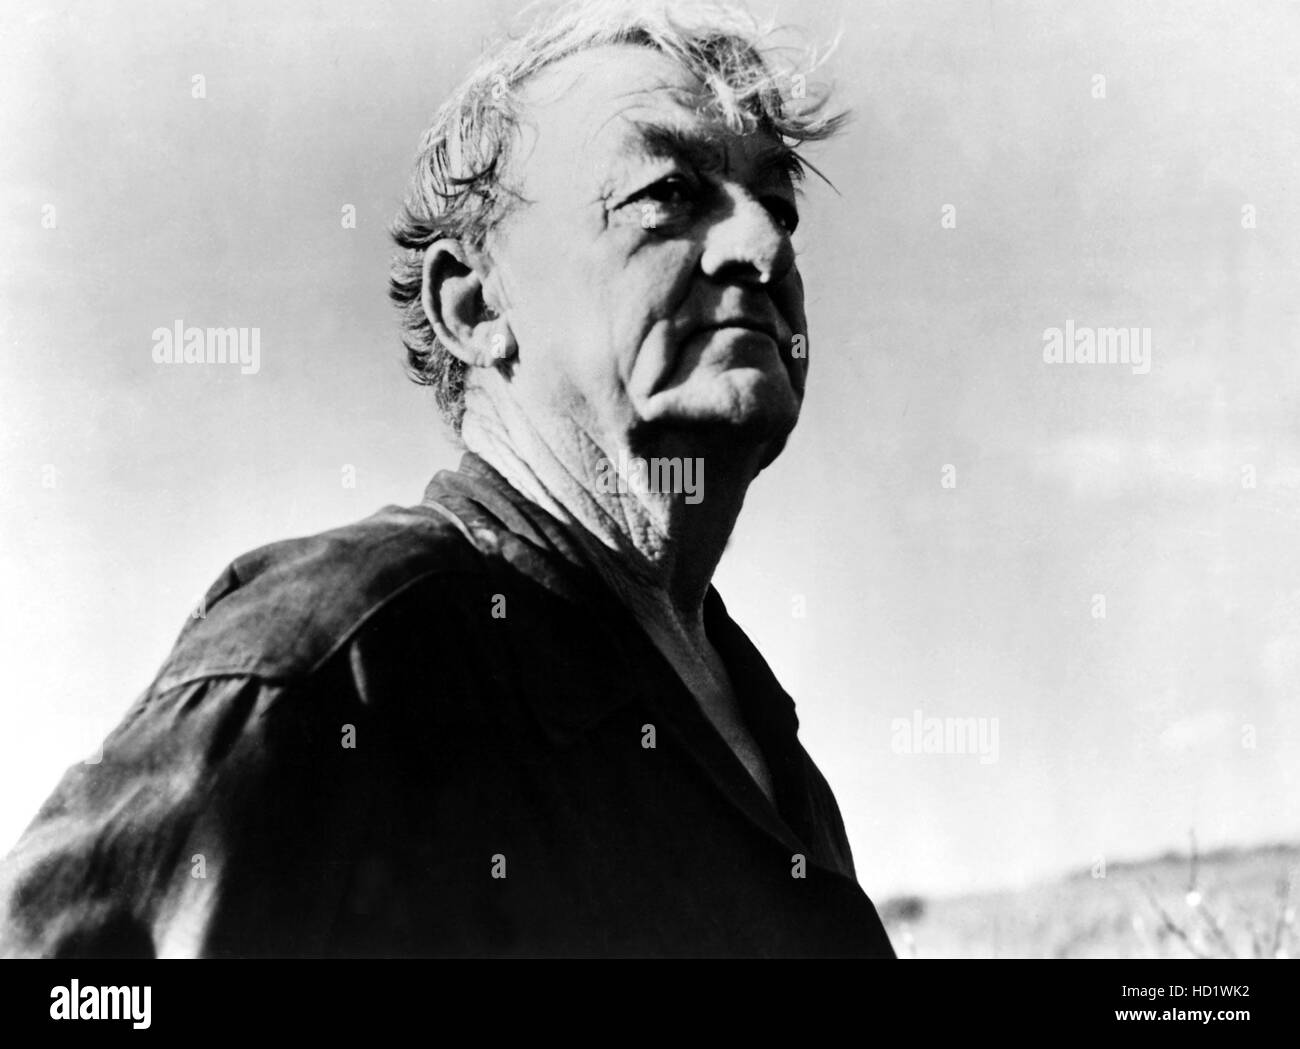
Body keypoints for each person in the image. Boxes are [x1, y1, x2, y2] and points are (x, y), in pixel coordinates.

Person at [0, 0, 895, 958]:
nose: (764, 248)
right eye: (670, 192)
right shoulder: (341, 664)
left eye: (780, 204)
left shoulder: (778, 764)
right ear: (474, 305)